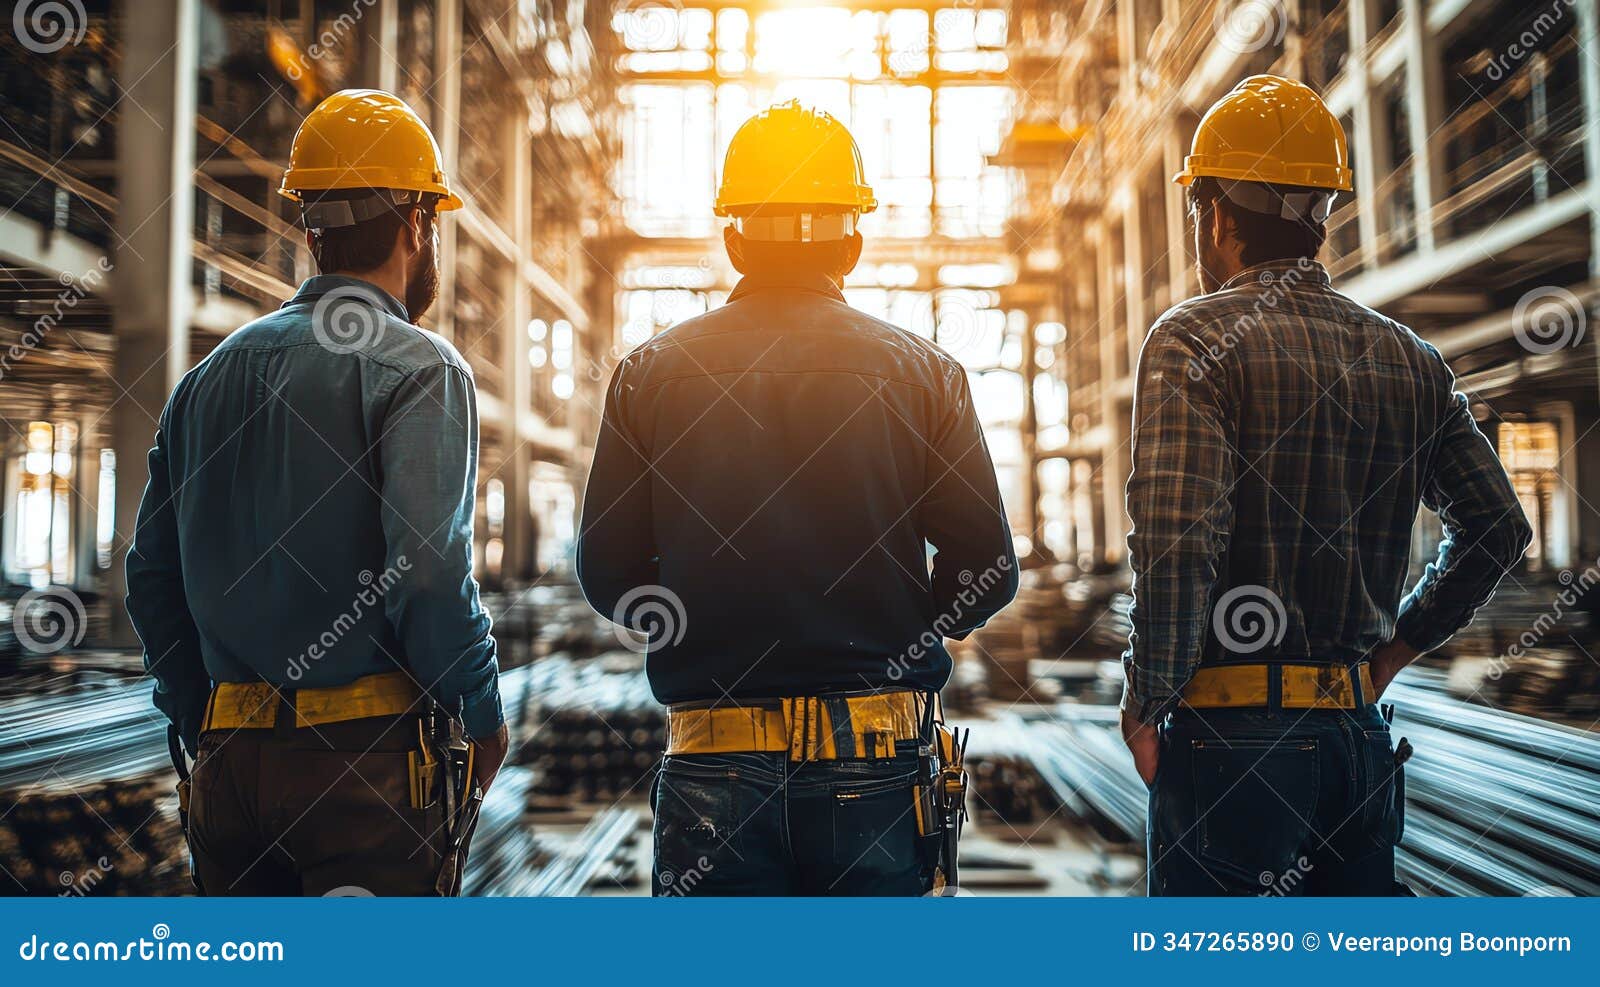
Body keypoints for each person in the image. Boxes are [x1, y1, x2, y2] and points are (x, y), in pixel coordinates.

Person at [577, 101, 1018, 896]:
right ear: (853, 242)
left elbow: (607, 569)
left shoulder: (650, 374)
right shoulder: (927, 375)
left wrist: (698, 615)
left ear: (734, 239)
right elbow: (987, 567)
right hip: (876, 766)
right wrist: (898, 623)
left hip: (714, 769)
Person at [1120, 75, 1531, 896]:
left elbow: (1179, 541)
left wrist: (1146, 698)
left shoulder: (1192, 340)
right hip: (1357, 742)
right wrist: (1396, 650)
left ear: (1216, 216)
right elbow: (1498, 527)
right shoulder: (1410, 358)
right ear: (1321, 215)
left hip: (1233, 747)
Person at [126, 89, 509, 896]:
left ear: (311, 233)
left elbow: (150, 576)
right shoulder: (420, 367)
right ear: (418, 226)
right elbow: (428, 573)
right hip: (366, 776)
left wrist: (205, 720)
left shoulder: (206, 378)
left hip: (230, 777)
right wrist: (480, 708)